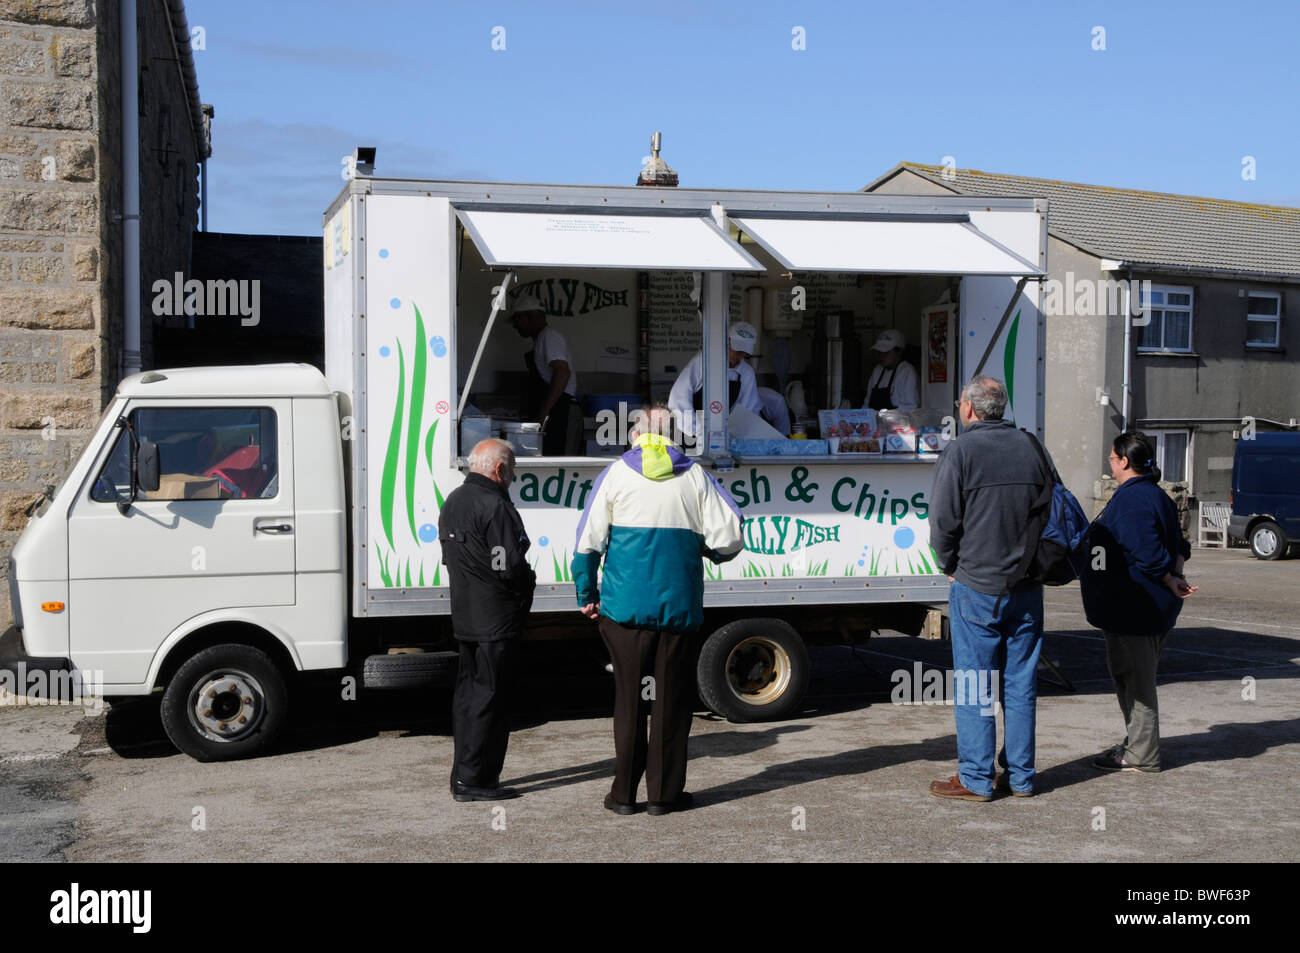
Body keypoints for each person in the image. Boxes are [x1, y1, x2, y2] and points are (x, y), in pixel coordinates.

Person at [572, 406, 744, 815]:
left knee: (629, 701)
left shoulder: (615, 473)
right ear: (675, 435)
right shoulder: (697, 476)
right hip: (678, 609)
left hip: (624, 610)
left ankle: (623, 797)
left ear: (634, 434)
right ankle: (664, 797)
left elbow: (586, 543)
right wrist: (700, 550)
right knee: (671, 703)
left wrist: (585, 594)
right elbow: (731, 538)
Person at [927, 376, 1055, 800]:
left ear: (968, 409)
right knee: (1020, 685)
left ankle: (977, 779)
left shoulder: (960, 451)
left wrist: (948, 564)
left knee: (974, 685)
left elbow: (943, 522)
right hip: (1028, 584)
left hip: (977, 584)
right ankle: (1021, 777)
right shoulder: (1033, 447)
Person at [1081, 431, 1196, 773]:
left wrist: (1167, 576)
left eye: (1113, 459)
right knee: (1134, 678)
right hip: (1146, 607)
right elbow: (1180, 545)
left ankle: (1142, 753)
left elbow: (1146, 551)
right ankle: (1136, 745)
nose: (1110, 465)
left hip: (1135, 608)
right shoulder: (1155, 495)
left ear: (1125, 461)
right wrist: (1174, 576)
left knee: (1135, 682)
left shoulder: (1132, 501)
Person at [437, 439, 536, 801]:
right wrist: (529, 583)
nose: (511, 478)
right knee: (491, 699)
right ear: (499, 470)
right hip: (496, 619)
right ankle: (475, 780)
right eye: (511, 471)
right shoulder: (495, 506)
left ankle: (462, 774)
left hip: (465, 616)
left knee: (468, 697)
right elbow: (509, 565)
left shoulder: (453, 501)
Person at [511, 295, 582, 456]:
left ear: (529, 317)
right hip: (555, 412)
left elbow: (562, 372)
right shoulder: (541, 340)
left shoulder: (549, 337)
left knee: (561, 465)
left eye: (517, 319)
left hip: (562, 412)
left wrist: (542, 413)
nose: (515, 325)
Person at [667, 321, 763, 435]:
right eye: (737, 352)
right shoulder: (703, 361)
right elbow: (678, 399)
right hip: (689, 433)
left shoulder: (747, 373)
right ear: (727, 343)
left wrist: (731, 436)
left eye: (744, 354)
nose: (739, 357)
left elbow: (748, 411)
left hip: (724, 436)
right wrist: (698, 432)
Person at [862, 329, 919, 412]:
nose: (882, 356)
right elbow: (867, 404)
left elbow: (911, 408)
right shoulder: (877, 370)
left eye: (886, 352)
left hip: (898, 423)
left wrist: (884, 415)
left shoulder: (907, 372)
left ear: (899, 351)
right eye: (879, 352)